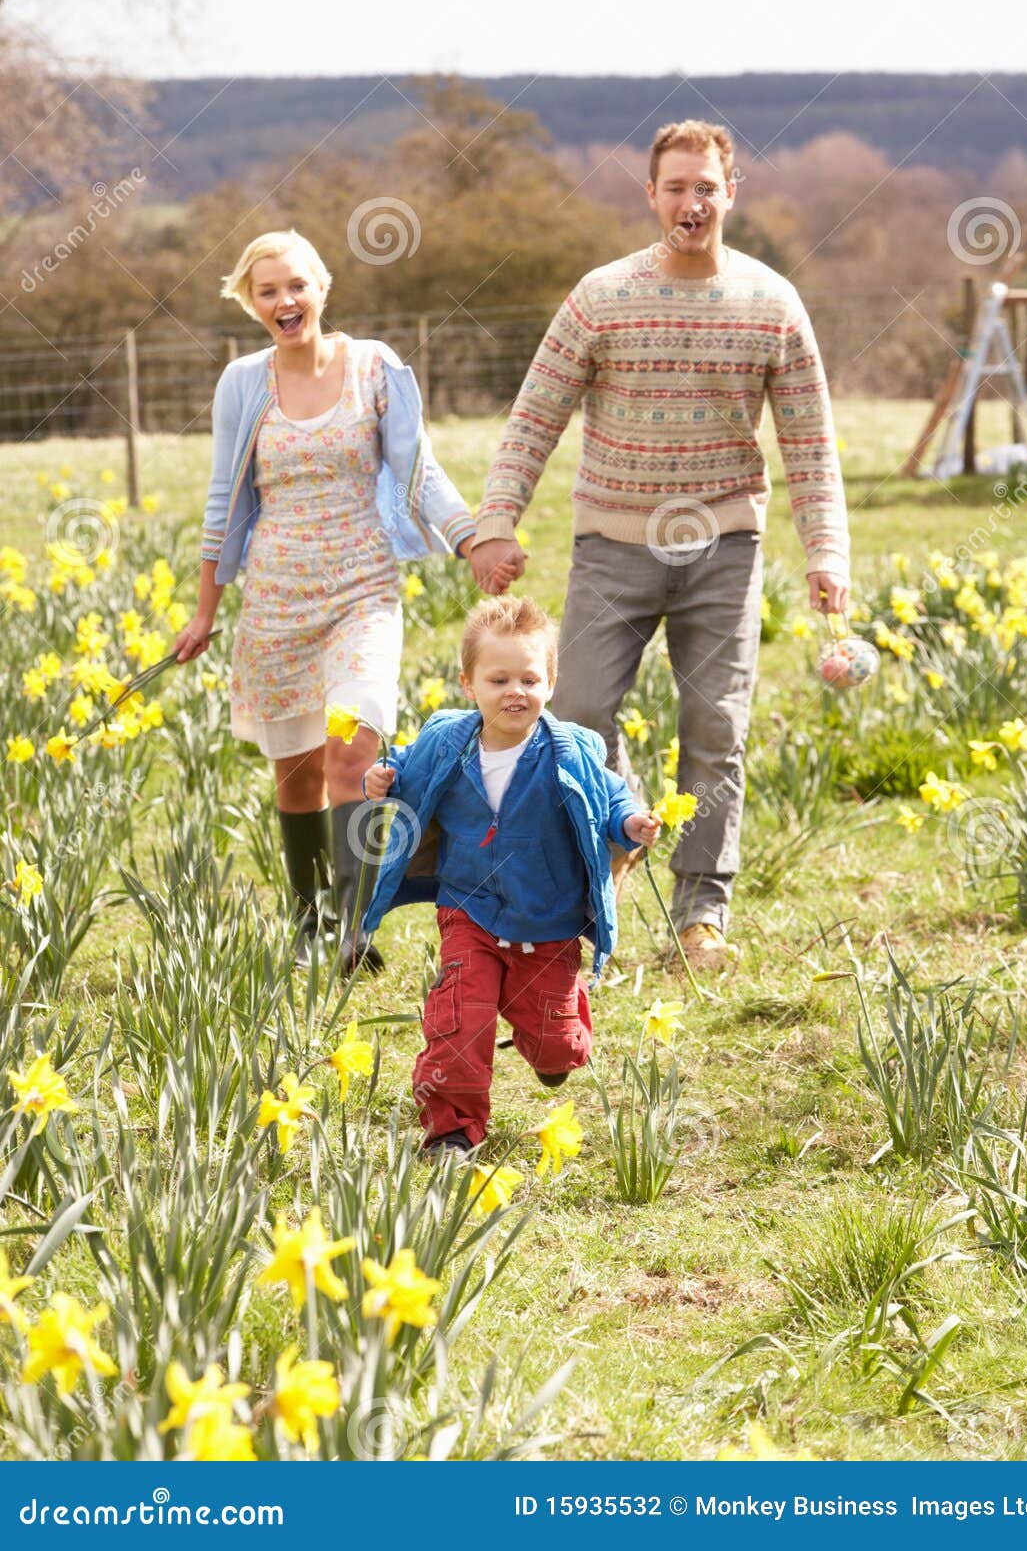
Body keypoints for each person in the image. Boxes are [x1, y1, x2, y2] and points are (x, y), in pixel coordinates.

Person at [468, 119, 851, 976]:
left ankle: (699, 918)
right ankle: (617, 831)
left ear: (729, 192)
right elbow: (534, 417)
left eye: (705, 186)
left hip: (725, 546)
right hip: (612, 544)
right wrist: (497, 520)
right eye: (675, 188)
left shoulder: (771, 303)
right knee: (577, 716)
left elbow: (810, 445)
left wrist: (826, 553)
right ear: (651, 196)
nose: (690, 203)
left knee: (715, 726)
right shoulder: (601, 296)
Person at [175, 229, 507, 972]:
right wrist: (204, 609)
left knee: (352, 749)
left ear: (321, 287)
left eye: (295, 285)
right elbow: (224, 499)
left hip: (362, 589)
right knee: (293, 771)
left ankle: (352, 931)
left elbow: (419, 469)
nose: (283, 301)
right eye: (266, 291)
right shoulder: (242, 382)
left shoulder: (375, 368)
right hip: (275, 597)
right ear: (250, 301)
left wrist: (470, 539)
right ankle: (310, 925)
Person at [361, 595, 661, 1156]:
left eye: (529, 678)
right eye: (498, 679)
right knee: (459, 1017)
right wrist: (382, 780)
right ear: (468, 685)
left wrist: (631, 823)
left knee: (557, 1048)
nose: (514, 692)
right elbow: (404, 767)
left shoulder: (570, 752)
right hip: (468, 910)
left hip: (548, 919)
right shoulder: (447, 741)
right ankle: (452, 1128)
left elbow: (611, 797)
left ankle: (561, 1035)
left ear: (550, 681)